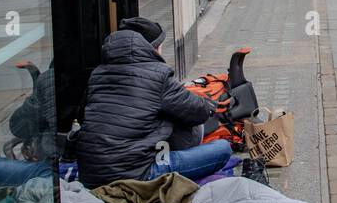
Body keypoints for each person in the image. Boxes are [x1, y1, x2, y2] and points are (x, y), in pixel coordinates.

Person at [75, 17, 230, 188]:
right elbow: (197, 112)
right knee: (222, 149)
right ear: (152, 48)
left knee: (162, 118)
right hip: (137, 175)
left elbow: (83, 118)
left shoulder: (97, 74)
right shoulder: (159, 75)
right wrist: (207, 105)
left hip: (90, 174)